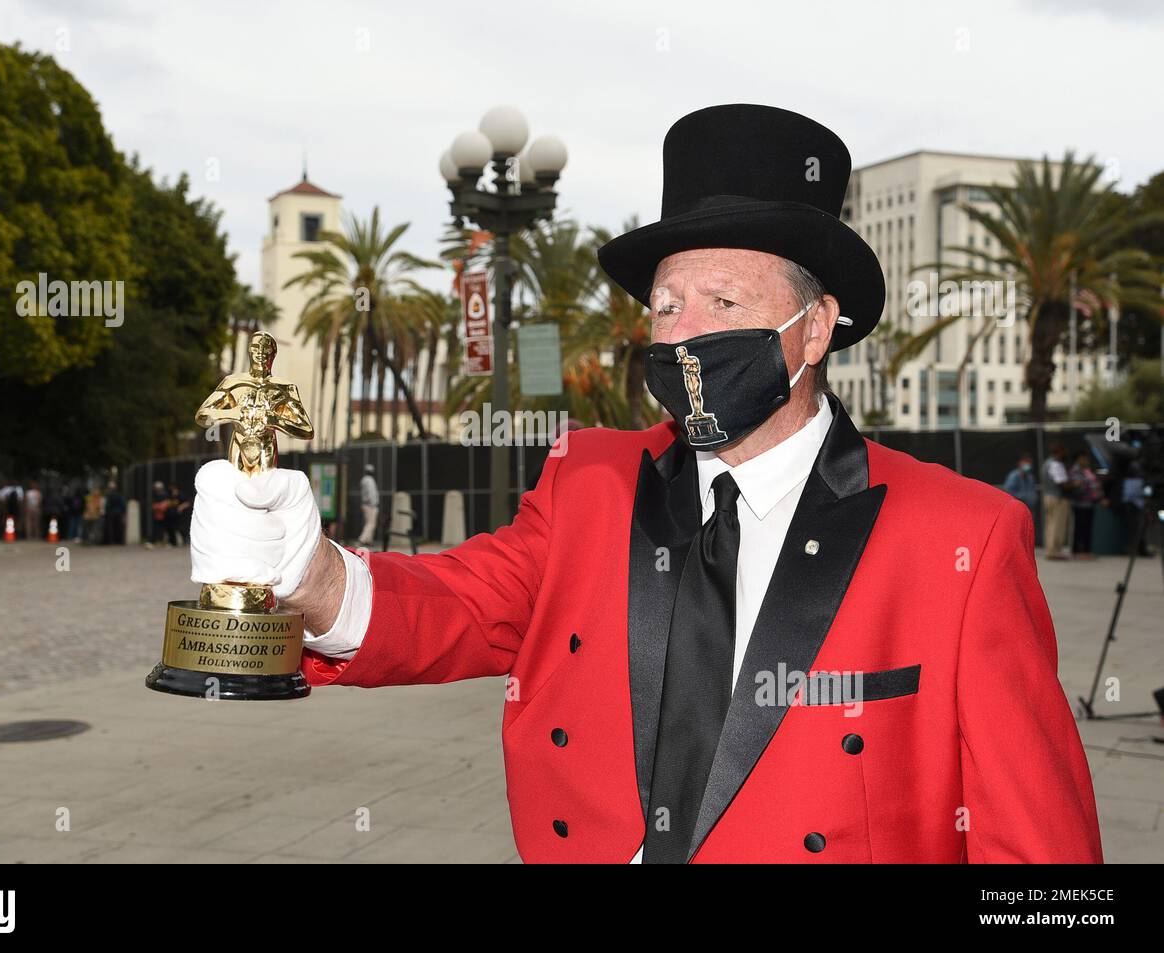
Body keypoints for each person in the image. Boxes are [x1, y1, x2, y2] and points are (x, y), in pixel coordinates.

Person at [189, 105, 1101, 863]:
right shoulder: (589, 483)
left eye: (725, 304)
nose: (683, 334)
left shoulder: (961, 538)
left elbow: (1044, 856)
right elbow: (462, 602)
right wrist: (310, 573)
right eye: (666, 305)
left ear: (816, 329)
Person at [1040, 443, 1074, 560]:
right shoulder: (1056, 464)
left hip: (1049, 496)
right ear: (1059, 452)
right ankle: (1054, 551)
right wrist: (1074, 484)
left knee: (1050, 524)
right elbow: (1061, 483)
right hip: (1057, 498)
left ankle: (1051, 550)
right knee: (1057, 525)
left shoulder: (1047, 463)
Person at [1068, 451, 1104, 560]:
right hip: (1079, 503)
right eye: (1083, 458)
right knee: (1080, 528)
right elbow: (1077, 486)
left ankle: (1086, 550)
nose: (1085, 461)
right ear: (1078, 459)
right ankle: (1077, 551)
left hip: (1089, 503)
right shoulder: (1074, 470)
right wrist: (1085, 485)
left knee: (1087, 528)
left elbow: (1093, 483)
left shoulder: (1087, 470)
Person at [1002, 452, 1039, 539]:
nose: (1028, 465)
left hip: (1030, 510)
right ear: (1020, 463)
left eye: (1029, 463)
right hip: (1018, 510)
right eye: (1026, 462)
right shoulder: (1014, 476)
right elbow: (1008, 492)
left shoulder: (1030, 477)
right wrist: (1023, 497)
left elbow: (1032, 491)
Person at [357, 464, 379, 549]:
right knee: (371, 524)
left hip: (365, 504)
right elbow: (371, 493)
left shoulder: (364, 479)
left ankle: (368, 540)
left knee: (368, 523)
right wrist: (374, 504)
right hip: (370, 505)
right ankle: (362, 539)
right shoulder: (369, 480)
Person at [149, 480, 169, 548]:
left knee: (164, 528)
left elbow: (165, 504)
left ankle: (166, 542)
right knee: (156, 528)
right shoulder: (156, 495)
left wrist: (159, 506)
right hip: (158, 514)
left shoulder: (164, 495)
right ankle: (154, 541)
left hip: (164, 514)